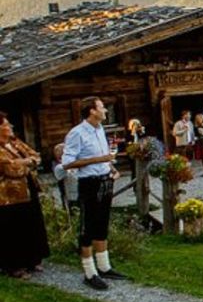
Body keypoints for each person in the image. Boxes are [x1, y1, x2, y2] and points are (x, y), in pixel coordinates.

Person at [61, 97, 126, 289]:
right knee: (87, 227)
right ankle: (90, 272)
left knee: (102, 223)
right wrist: (99, 159)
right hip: (89, 183)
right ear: (91, 111)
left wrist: (110, 168)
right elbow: (67, 162)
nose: (105, 110)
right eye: (101, 107)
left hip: (105, 180)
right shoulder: (77, 133)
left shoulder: (99, 130)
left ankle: (104, 266)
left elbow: (104, 158)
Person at [0, 112, 50, 278]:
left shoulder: (15, 143)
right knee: (13, 228)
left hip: (28, 189)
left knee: (31, 223)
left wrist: (27, 162)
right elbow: (10, 169)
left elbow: (35, 156)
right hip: (9, 195)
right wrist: (27, 164)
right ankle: (14, 265)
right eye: (7, 125)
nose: (11, 127)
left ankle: (32, 259)